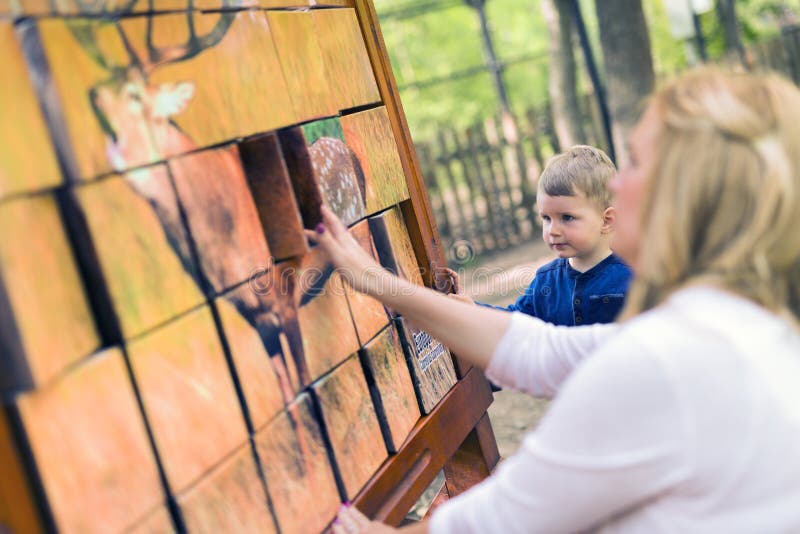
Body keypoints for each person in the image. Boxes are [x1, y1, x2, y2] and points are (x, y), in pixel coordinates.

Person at [310, 67, 800, 533]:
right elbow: (535, 348)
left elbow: (505, 519)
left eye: (635, 162)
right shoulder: (746, 328)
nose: (619, 182)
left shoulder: (665, 360)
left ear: (689, 196)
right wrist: (378, 280)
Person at [449, 145, 632, 326]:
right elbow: (516, 321)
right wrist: (472, 308)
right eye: (546, 218)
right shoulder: (546, 281)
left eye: (567, 218)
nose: (552, 230)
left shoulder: (633, 275)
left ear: (607, 221)